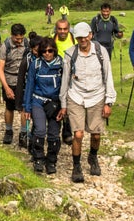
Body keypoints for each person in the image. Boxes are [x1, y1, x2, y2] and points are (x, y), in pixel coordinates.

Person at [57, 22, 116, 183]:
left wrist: (108, 101)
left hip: (97, 96)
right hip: (75, 96)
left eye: (84, 37)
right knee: (78, 134)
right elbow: (65, 80)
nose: (82, 40)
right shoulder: (70, 54)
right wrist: (63, 104)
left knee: (96, 135)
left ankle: (93, 157)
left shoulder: (100, 52)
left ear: (90, 35)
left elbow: (108, 76)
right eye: (78, 38)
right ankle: (76, 166)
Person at [23, 35, 63, 174]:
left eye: (50, 50)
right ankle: (38, 158)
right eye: (44, 51)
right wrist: (26, 107)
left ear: (54, 51)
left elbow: (66, 86)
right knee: (40, 130)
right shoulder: (36, 64)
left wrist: (64, 107)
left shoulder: (61, 64)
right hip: (38, 101)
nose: (47, 53)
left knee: (53, 133)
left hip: (55, 103)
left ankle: (51, 160)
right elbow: (29, 85)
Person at [0, 23, 28, 144]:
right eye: (17, 38)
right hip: (10, 79)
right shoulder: (6, 46)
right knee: (9, 107)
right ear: (12, 35)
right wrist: (6, 87)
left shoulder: (28, 44)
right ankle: (8, 131)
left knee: (24, 107)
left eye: (21, 38)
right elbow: (0, 69)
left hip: (24, 81)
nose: (19, 41)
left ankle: (24, 133)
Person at [52, 17, 75, 144]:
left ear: (68, 29)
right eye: (60, 29)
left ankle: (67, 131)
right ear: (56, 29)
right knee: (57, 102)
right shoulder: (51, 40)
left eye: (65, 29)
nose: (62, 31)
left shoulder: (74, 39)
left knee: (69, 102)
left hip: (71, 76)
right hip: (56, 75)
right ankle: (56, 129)